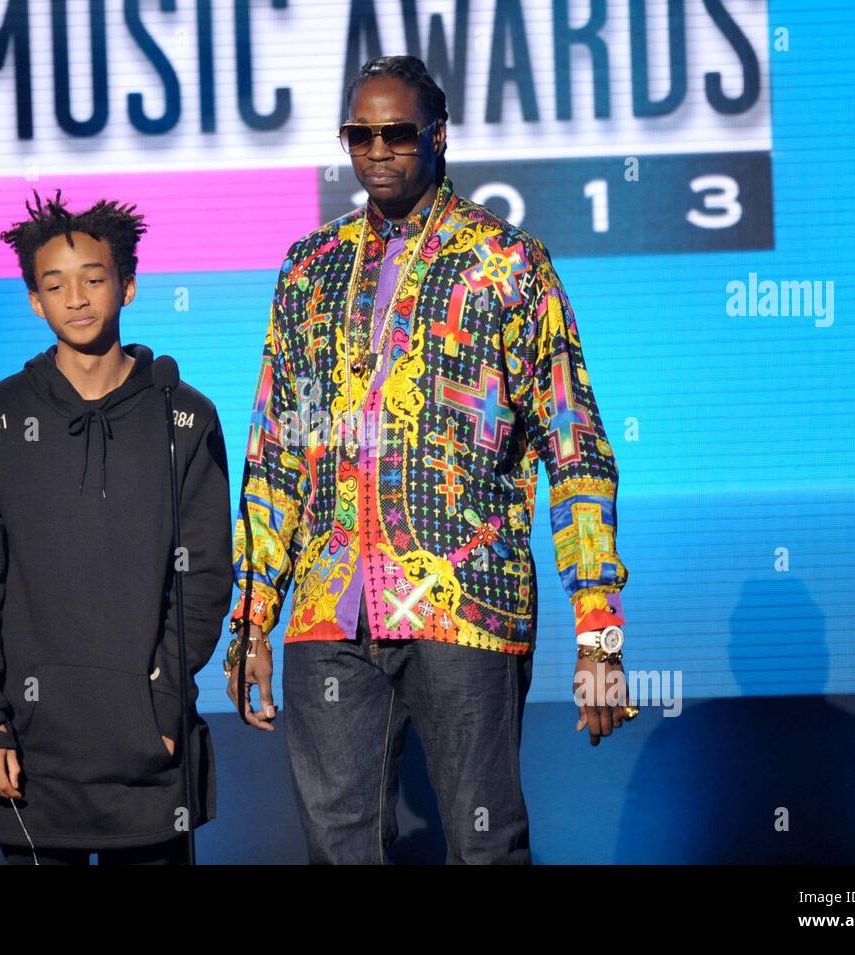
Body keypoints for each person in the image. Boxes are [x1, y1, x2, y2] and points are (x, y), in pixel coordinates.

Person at [225, 56, 635, 864]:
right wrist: (251, 619)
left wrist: (600, 634)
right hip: (326, 608)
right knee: (340, 850)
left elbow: (574, 444)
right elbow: (275, 449)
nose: (377, 149)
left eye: (398, 132)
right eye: (359, 134)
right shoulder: (308, 271)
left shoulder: (507, 263)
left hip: (467, 603)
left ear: (439, 136)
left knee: (485, 848)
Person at [0, 190, 232, 864]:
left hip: (149, 755)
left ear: (126, 284)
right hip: (31, 759)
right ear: (35, 300)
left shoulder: (182, 414)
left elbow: (205, 578)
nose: (76, 297)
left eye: (93, 278)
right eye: (54, 283)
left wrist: (161, 705)